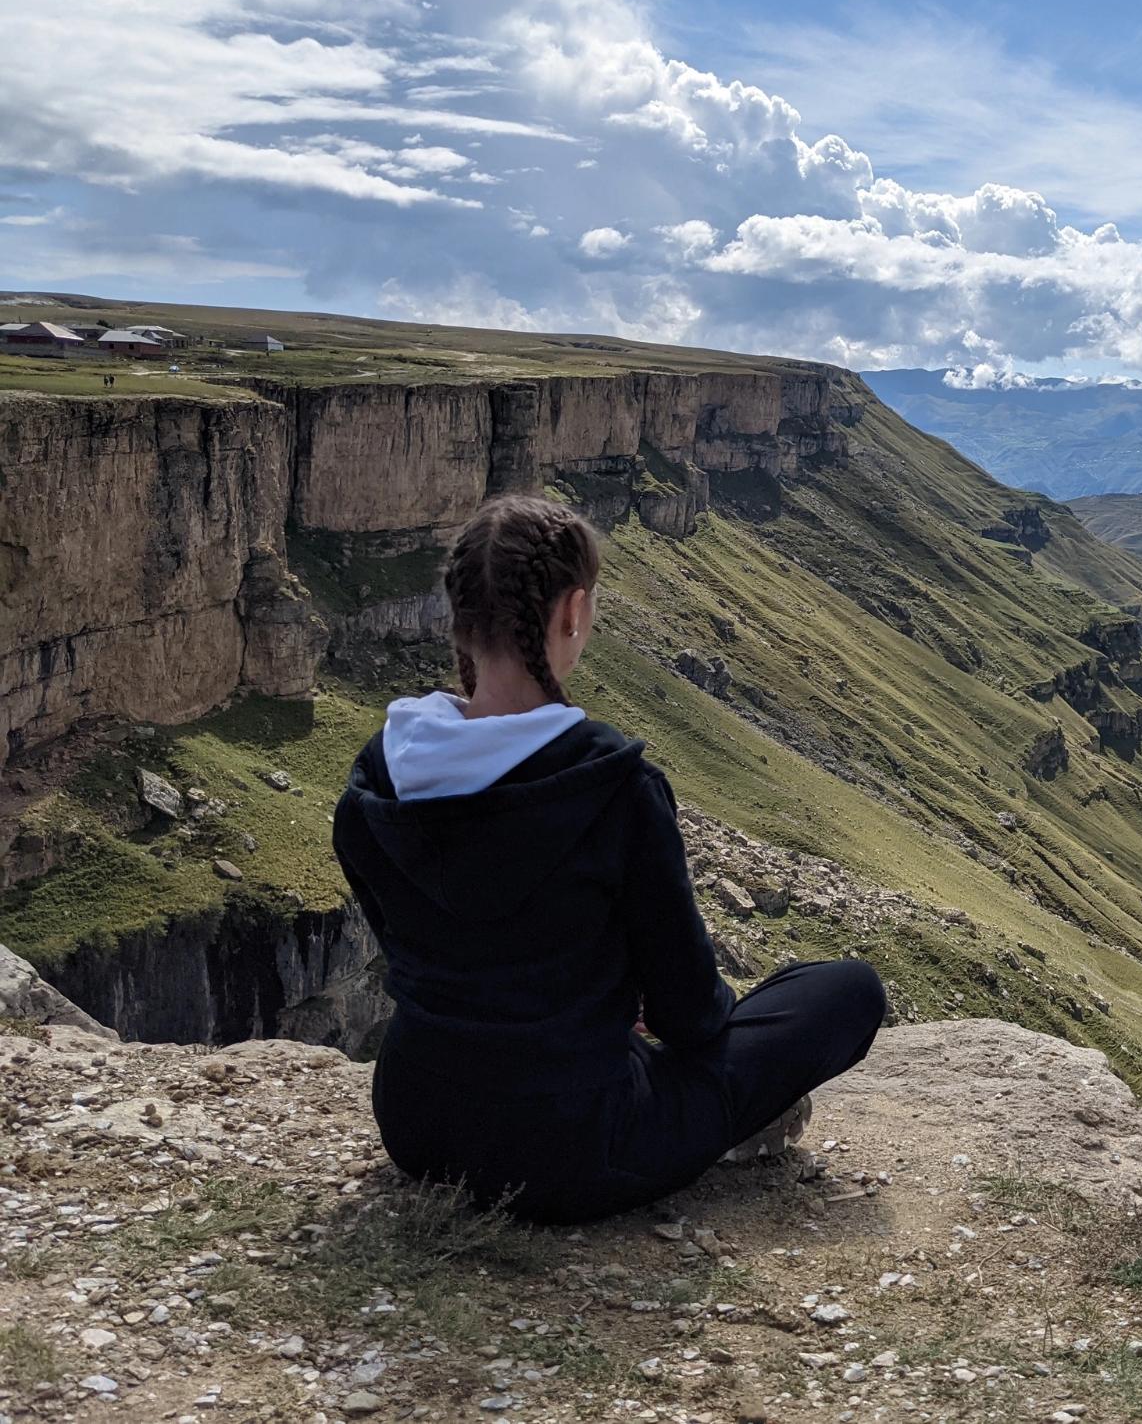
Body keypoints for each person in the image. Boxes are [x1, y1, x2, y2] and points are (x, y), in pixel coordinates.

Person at [332, 493, 886, 1222]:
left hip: (417, 1121)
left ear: (458, 619)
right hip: (576, 1144)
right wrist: (640, 1018)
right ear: (572, 611)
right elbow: (689, 1015)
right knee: (848, 991)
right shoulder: (611, 786)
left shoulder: (378, 780)